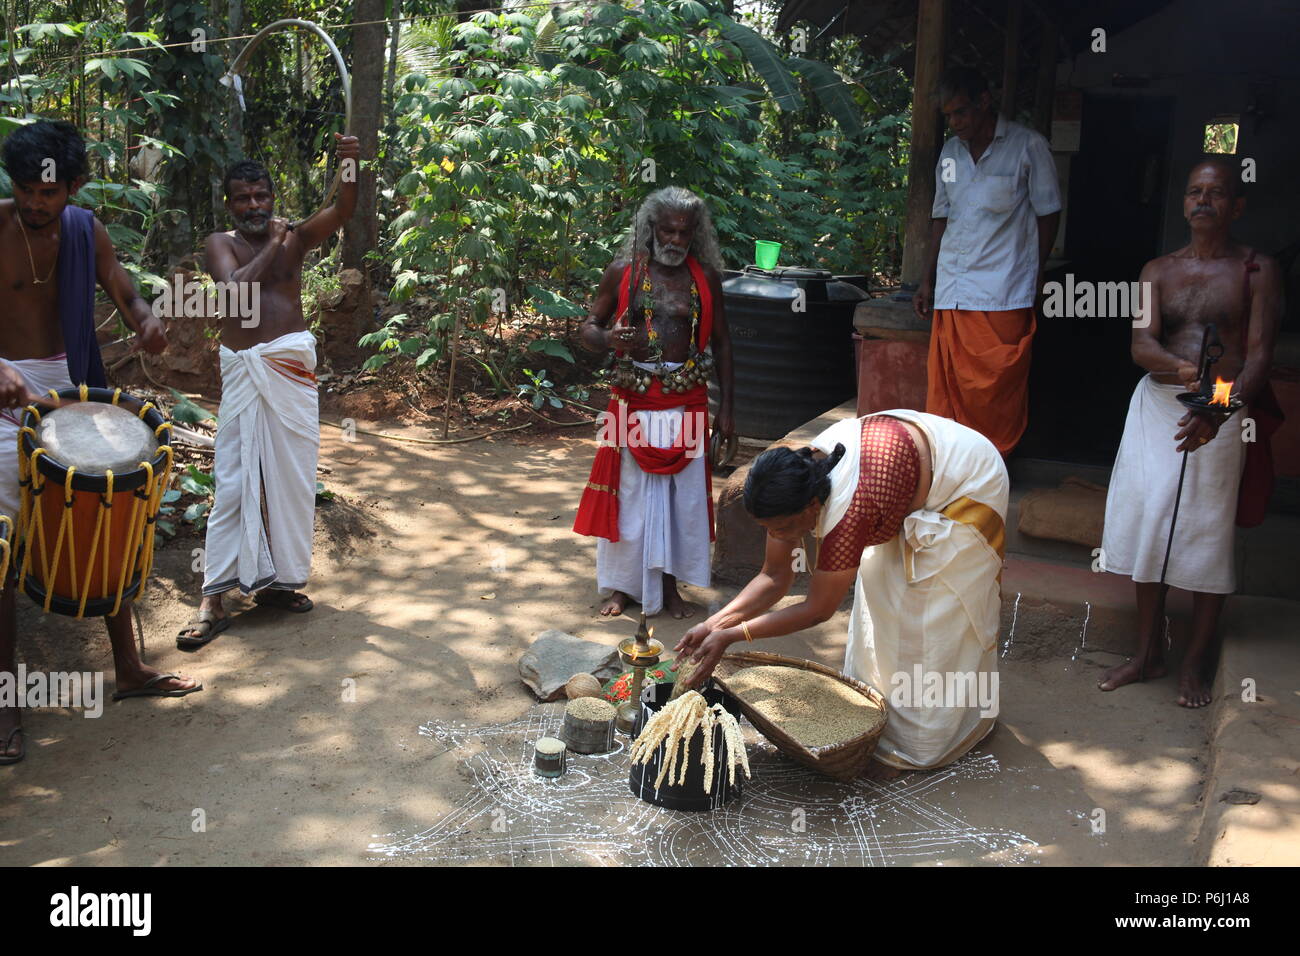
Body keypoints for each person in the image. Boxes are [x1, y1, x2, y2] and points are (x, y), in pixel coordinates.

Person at [0, 120, 201, 764]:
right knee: (2, 548)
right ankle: (6, 705)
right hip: (3, 392)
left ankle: (131, 670)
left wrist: (146, 320)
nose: (35, 203)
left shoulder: (88, 231)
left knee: (109, 512)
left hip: (74, 385)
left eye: (48, 193)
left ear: (75, 187)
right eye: (25, 189)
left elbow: (126, 291)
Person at [676, 410, 1008, 775]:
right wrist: (715, 625)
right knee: (882, 599)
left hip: (967, 486)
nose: (783, 536)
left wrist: (733, 635)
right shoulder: (789, 494)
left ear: (813, 508)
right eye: (771, 529)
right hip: (901, 480)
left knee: (931, 619)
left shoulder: (849, 511)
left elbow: (819, 610)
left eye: (786, 528)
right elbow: (774, 576)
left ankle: (927, 745)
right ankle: (883, 721)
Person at [1098, 159, 1281, 708]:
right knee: (1152, 521)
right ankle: (1147, 652)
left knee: (1206, 530)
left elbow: (1258, 357)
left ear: (1236, 206)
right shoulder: (1157, 270)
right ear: (1184, 203)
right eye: (1196, 192)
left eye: (1217, 193)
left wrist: (1215, 409)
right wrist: (1182, 374)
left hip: (1223, 412)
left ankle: (1195, 663)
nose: (1204, 201)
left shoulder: (1257, 269)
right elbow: (1140, 345)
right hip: (1157, 408)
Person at [177, 135, 359, 646]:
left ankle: (276, 583)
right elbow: (234, 290)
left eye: (261, 196)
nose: (255, 206)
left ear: (272, 197)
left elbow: (343, 208)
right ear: (229, 203)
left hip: (289, 374)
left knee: (290, 481)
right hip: (245, 372)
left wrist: (349, 164)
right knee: (233, 484)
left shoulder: (297, 237)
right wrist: (276, 243)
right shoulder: (222, 244)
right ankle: (212, 599)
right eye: (243, 198)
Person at [574, 186, 734, 618]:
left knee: (679, 497)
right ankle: (623, 587)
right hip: (631, 398)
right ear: (650, 228)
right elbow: (588, 327)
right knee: (629, 495)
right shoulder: (622, 272)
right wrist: (606, 338)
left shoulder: (705, 279)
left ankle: (668, 584)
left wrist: (730, 411)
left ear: (695, 234)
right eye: (667, 230)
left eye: (684, 233)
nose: (675, 241)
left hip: (687, 398)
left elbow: (722, 344)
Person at [914, 65, 1061, 457]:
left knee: (996, 392)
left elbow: (1048, 214)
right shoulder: (950, 152)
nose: (955, 122)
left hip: (1003, 290)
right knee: (947, 392)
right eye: (948, 115)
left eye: (960, 112)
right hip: (952, 288)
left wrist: (1037, 272)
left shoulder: (1028, 147)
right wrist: (927, 278)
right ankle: (952, 467)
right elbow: (941, 216)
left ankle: (994, 466)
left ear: (984, 101)